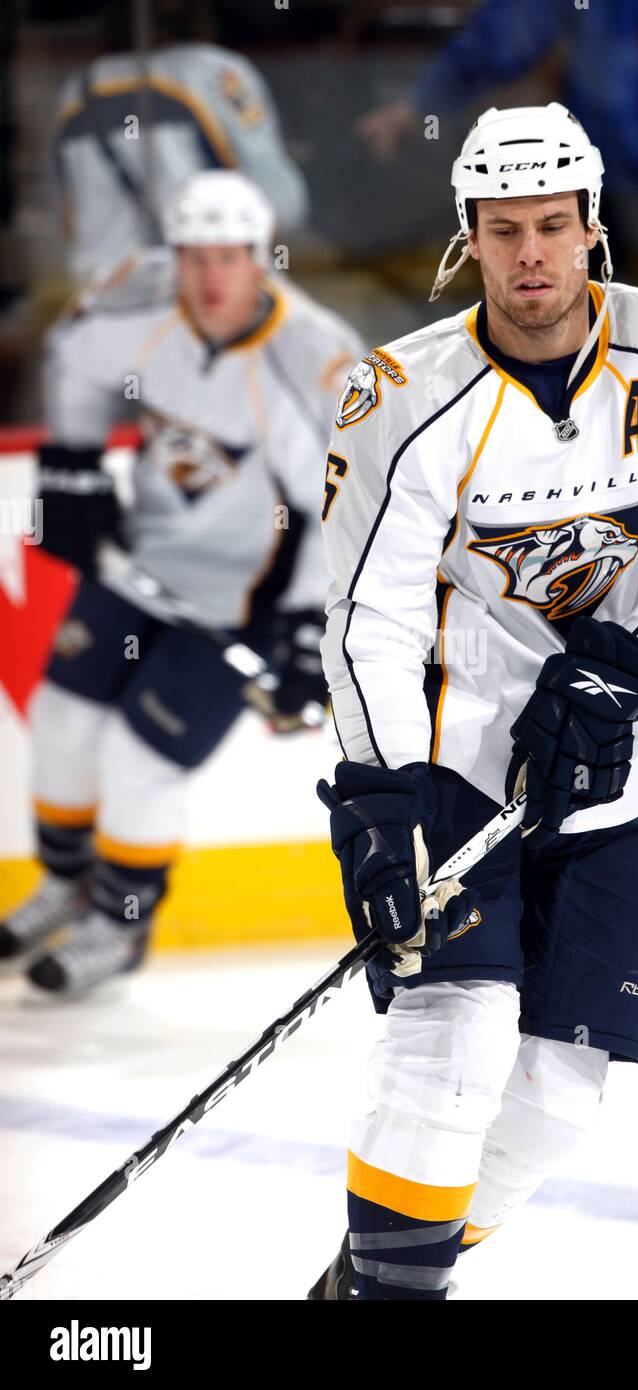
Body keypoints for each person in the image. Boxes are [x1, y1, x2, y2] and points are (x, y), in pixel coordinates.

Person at [309, 103, 638, 1300]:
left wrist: (622, 668)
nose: (529, 257)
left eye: (551, 227)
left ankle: (371, 1274)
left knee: (559, 1100)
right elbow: (371, 616)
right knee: (447, 1041)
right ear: (466, 235)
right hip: (456, 767)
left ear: (591, 227)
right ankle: (397, 1288)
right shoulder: (401, 394)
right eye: (501, 230)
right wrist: (379, 794)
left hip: (616, 773)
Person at [0, 170, 362, 994]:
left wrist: (311, 630)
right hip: (141, 562)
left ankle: (119, 927)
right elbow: (75, 360)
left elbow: (345, 509)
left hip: (246, 605)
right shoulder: (137, 298)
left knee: (137, 761)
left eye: (229, 257)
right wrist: (72, 465)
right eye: (195, 256)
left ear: (258, 259)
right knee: (60, 721)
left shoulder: (312, 360)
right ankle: (64, 886)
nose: (209, 278)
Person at [54, 42, 309, 283]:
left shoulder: (75, 90)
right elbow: (279, 201)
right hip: (209, 293)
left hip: (108, 301)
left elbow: (68, 216)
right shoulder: (210, 70)